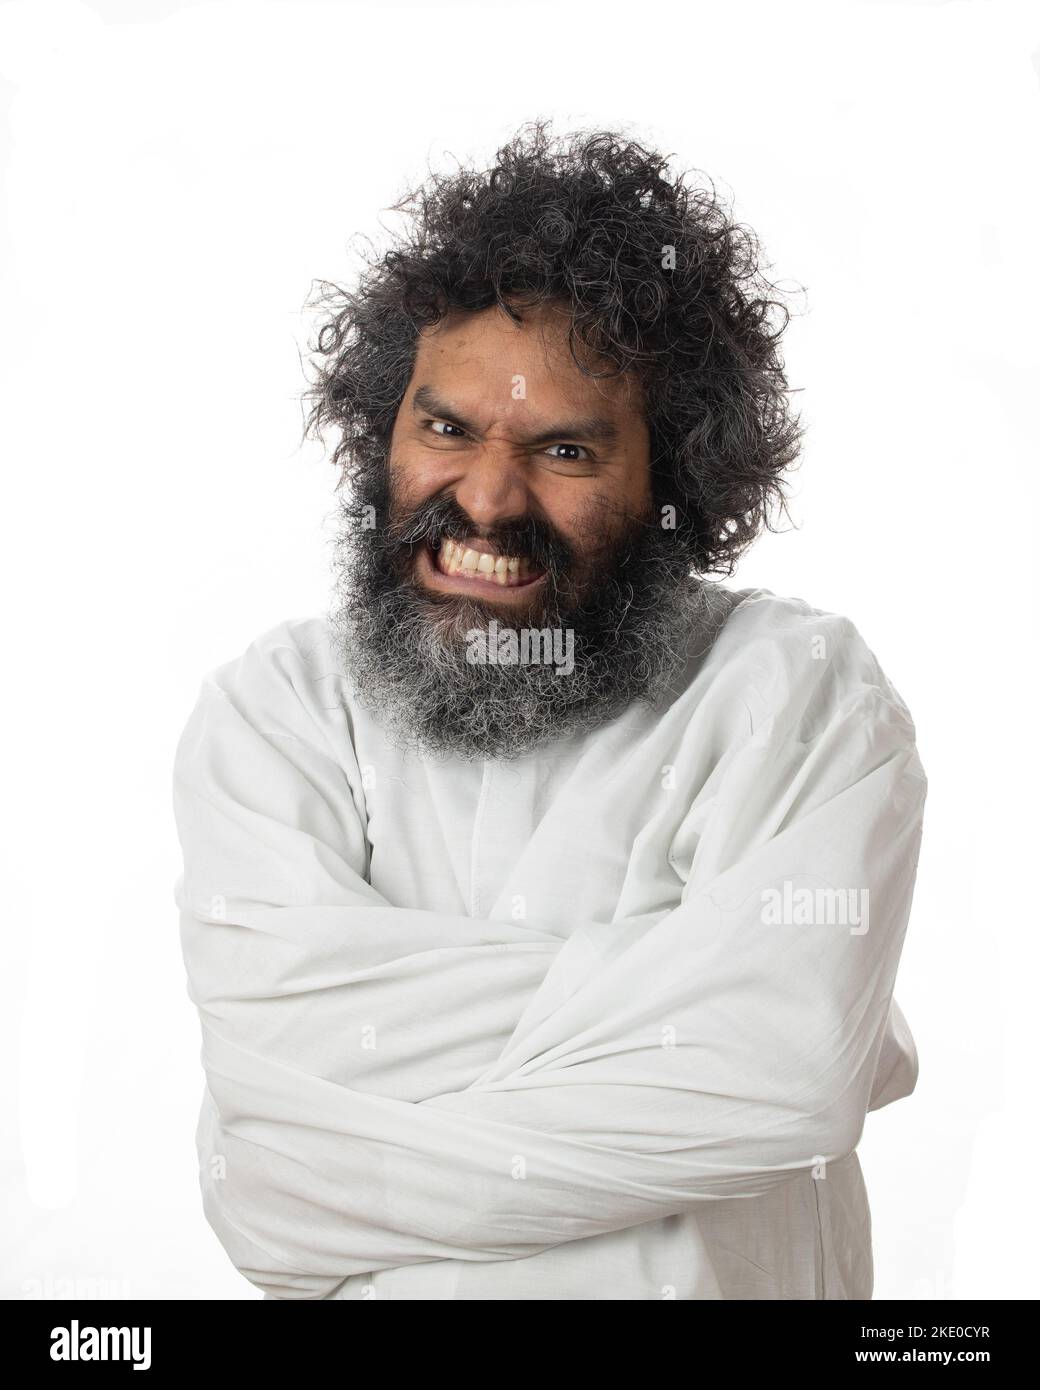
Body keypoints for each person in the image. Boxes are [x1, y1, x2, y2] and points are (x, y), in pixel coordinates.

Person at [173, 120, 926, 1300]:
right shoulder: (278, 713)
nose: (481, 496)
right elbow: (264, 1192)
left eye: (564, 448)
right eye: (443, 427)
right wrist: (700, 1008)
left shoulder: (793, 694)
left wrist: (341, 1142)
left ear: (671, 472)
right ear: (382, 425)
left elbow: (780, 1069)